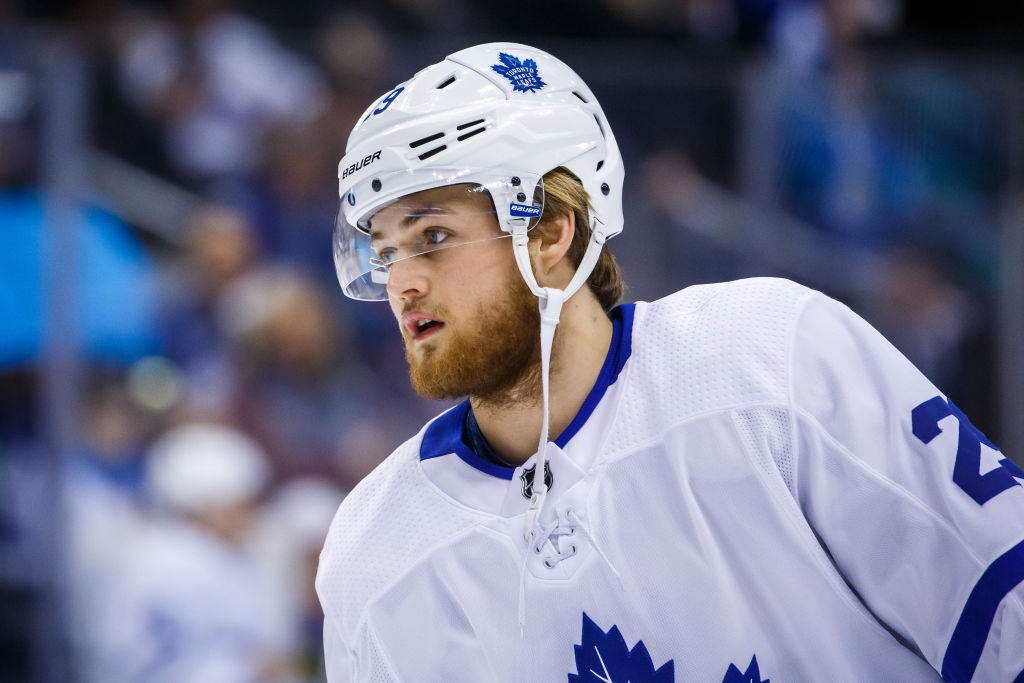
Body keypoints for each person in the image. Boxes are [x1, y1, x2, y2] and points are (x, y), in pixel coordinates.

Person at [314, 42, 1024, 682]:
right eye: (383, 250)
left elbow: (1005, 607)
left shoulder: (768, 356)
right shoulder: (372, 554)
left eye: (432, 234)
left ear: (553, 230)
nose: (400, 281)